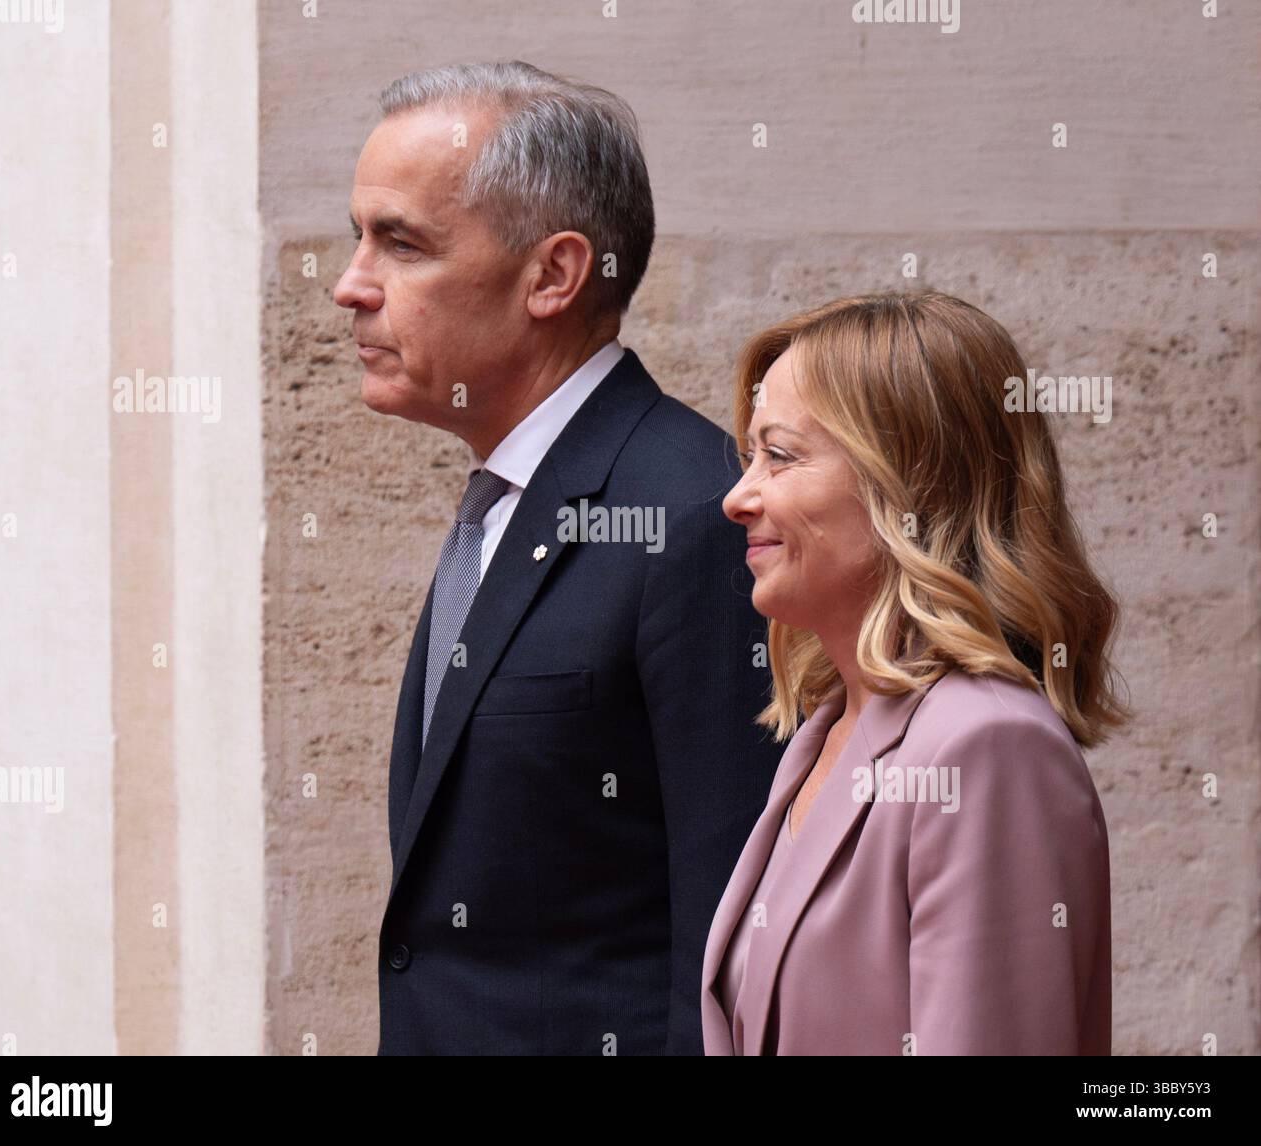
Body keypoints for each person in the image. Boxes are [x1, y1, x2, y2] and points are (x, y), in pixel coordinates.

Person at [333, 60, 783, 1055]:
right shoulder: (505, 496)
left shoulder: (693, 511)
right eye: (356, 237)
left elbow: (732, 947)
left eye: (400, 244)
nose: (349, 285)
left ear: (553, 274)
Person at [702, 292, 1128, 1055]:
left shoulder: (987, 746)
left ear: (908, 485)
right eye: (748, 457)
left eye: (781, 456)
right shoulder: (825, 735)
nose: (739, 498)